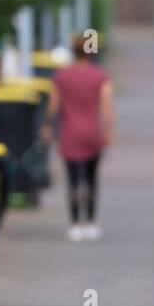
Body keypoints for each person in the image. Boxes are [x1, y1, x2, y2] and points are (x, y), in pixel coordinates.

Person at [40, 35, 114, 241]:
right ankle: (90, 222)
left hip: (70, 135)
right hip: (92, 134)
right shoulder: (100, 77)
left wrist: (46, 126)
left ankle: (74, 224)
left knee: (73, 180)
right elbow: (106, 107)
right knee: (91, 180)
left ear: (73, 51)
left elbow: (53, 105)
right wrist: (109, 131)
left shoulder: (61, 77)